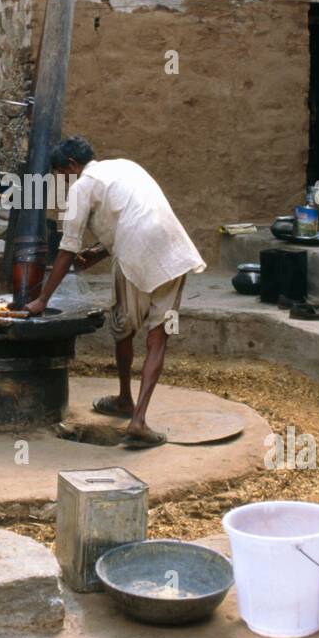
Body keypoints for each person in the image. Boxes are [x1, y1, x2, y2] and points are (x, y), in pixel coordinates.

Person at [23, 137, 205, 448]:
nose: (62, 180)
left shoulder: (82, 185)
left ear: (70, 166)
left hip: (135, 253)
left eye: (60, 173)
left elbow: (67, 248)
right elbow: (132, 218)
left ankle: (125, 399)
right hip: (173, 250)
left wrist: (42, 299)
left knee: (123, 330)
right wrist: (98, 253)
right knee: (157, 337)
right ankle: (138, 418)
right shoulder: (125, 166)